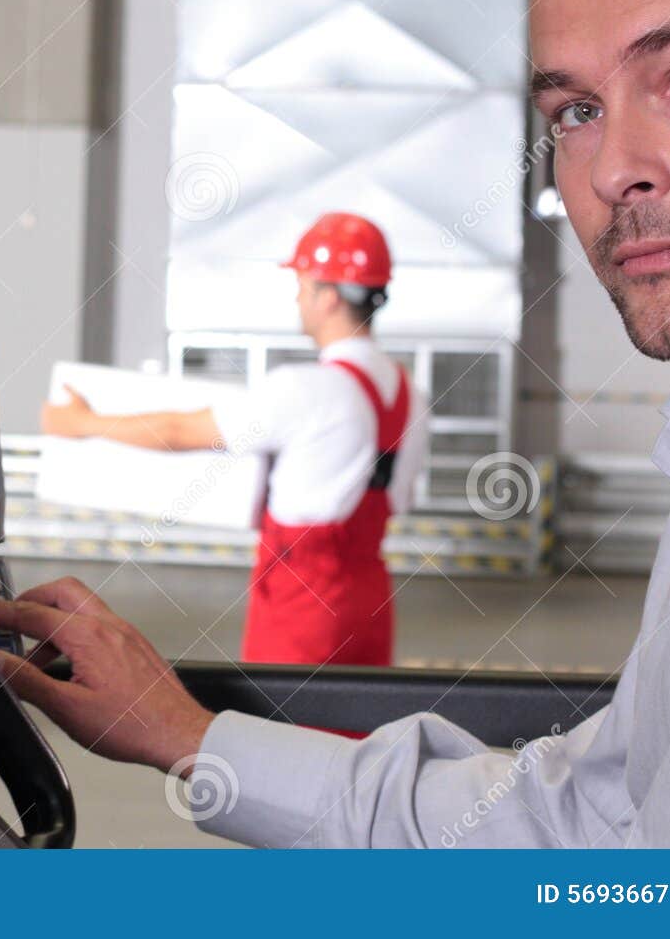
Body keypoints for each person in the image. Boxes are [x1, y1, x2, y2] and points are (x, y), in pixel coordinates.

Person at [0, 0, 670, 847]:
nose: (615, 167)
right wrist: (192, 737)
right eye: (573, 110)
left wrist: (80, 419)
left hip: (301, 601)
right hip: (362, 595)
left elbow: (188, 434)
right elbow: (597, 816)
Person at [40, 212, 428, 665]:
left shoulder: (306, 388)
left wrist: (84, 423)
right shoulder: (410, 396)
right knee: (359, 726)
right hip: (370, 602)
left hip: (303, 606)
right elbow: (395, 499)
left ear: (328, 296)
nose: (298, 298)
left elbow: (179, 431)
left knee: (288, 729)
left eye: (303, 286)